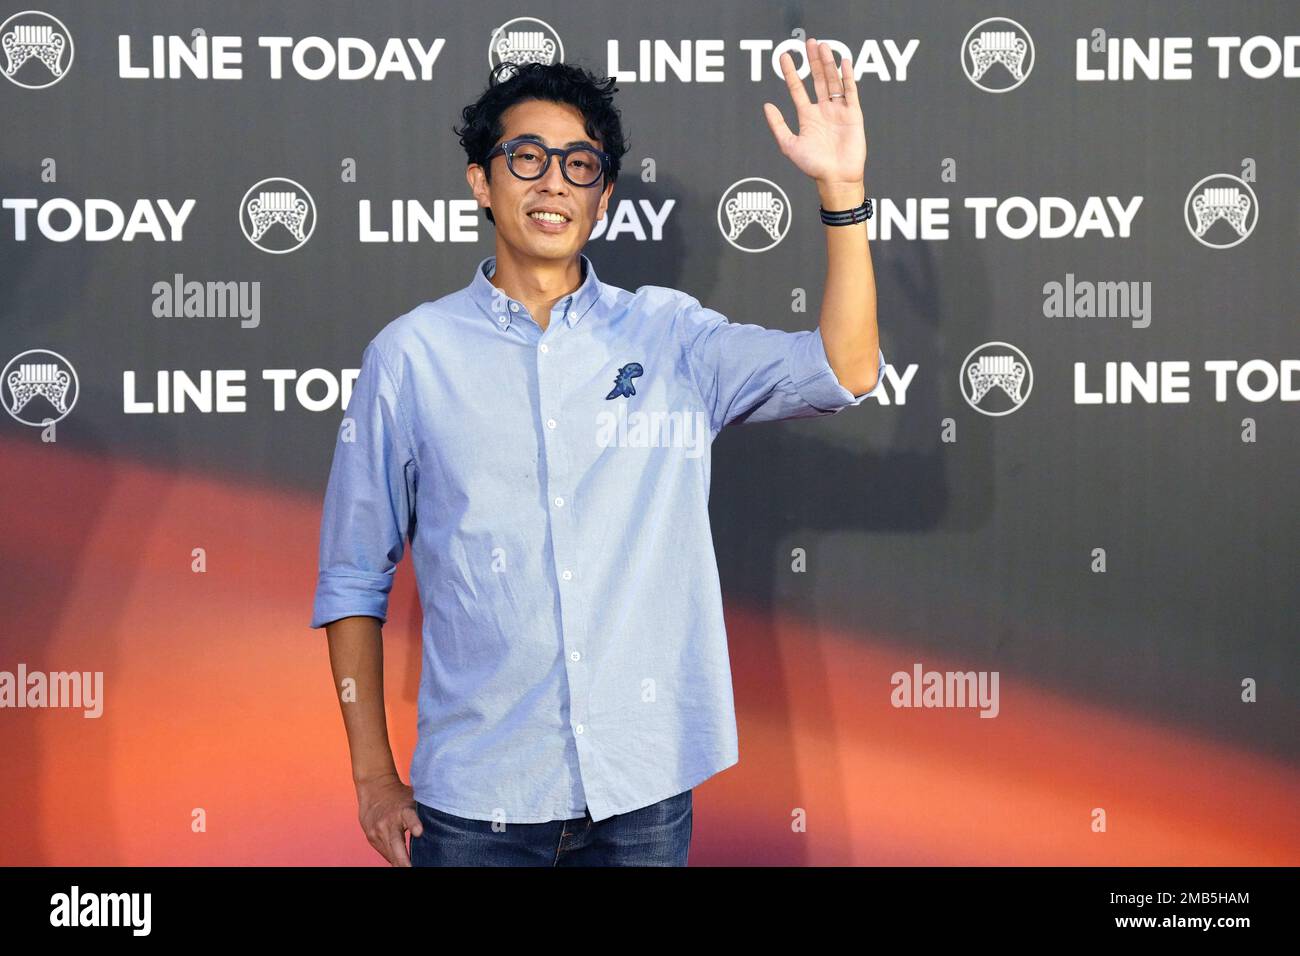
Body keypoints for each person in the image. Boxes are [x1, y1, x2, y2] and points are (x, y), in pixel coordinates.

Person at [309, 38, 885, 867]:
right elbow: (352, 576)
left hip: (640, 798)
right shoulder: (410, 357)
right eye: (528, 157)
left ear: (604, 196)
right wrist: (372, 776)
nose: (554, 182)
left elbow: (845, 366)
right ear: (482, 180)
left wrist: (842, 193)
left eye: (581, 165)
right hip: (475, 802)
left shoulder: (673, 335)